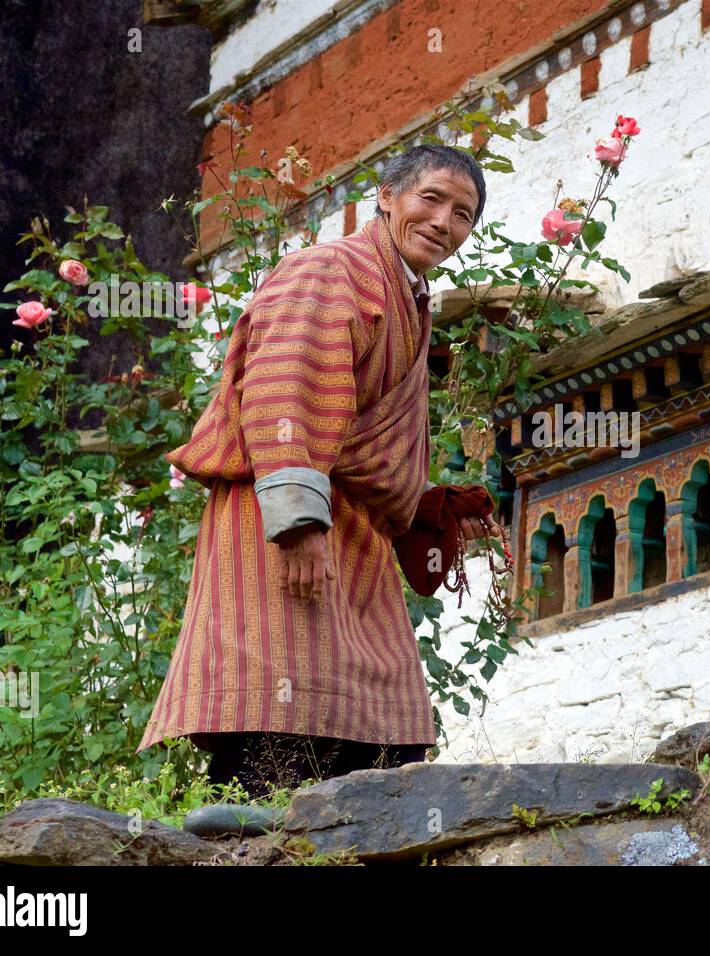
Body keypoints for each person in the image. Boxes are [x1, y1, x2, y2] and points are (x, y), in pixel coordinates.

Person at [137, 145, 498, 798]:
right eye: (432, 199)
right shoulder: (328, 271)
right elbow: (282, 394)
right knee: (278, 713)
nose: (446, 222)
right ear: (386, 198)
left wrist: (419, 504)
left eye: (463, 213)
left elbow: (371, 438)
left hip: (356, 534)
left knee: (385, 729)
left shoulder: (410, 300)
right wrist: (298, 525)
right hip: (282, 520)